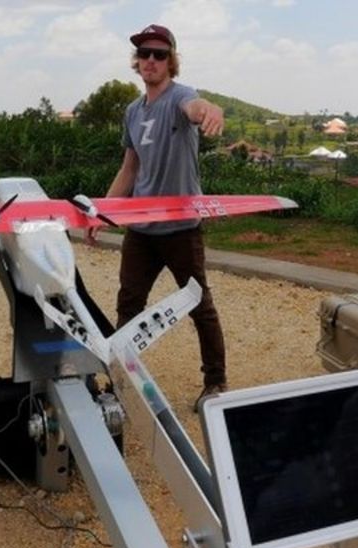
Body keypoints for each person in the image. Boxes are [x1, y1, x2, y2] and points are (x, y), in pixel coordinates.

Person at [92, 24, 227, 411]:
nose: (150, 60)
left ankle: (215, 383)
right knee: (129, 303)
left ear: (171, 61)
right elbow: (129, 168)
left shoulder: (179, 97)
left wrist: (211, 110)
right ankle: (121, 382)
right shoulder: (133, 111)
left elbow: (196, 107)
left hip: (181, 228)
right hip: (141, 228)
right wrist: (103, 212)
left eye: (159, 54)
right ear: (137, 61)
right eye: (144, 53)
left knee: (199, 304)